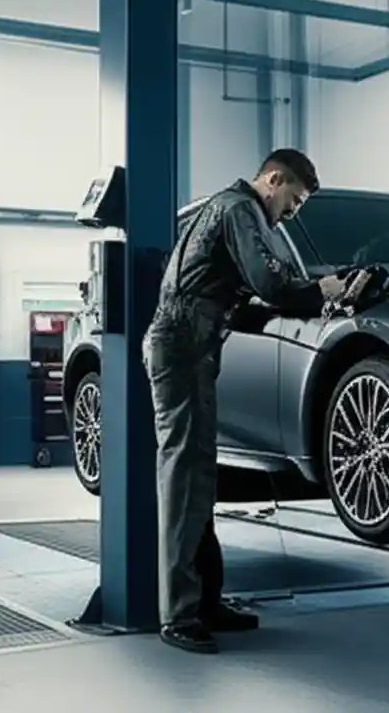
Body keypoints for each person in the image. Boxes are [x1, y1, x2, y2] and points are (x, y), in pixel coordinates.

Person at [143, 149, 347, 654]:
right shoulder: (240, 210)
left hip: (192, 345)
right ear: (273, 179)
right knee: (185, 477)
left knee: (199, 477)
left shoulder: (231, 209)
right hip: (183, 346)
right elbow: (270, 282)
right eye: (293, 199)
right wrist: (324, 289)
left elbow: (240, 300)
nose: (292, 212)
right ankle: (179, 615)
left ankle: (205, 601)